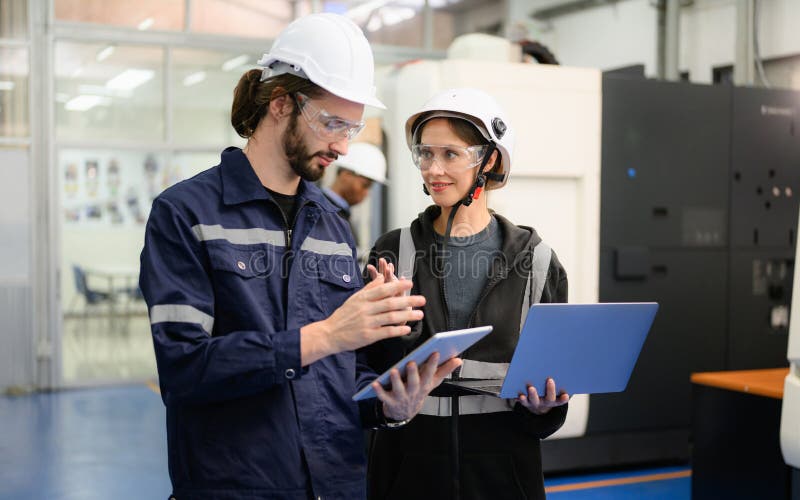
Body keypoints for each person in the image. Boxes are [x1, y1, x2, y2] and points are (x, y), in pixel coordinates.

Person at [138, 14, 460, 500]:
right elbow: (185, 371)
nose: (343, 145)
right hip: (237, 487)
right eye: (332, 123)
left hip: (336, 485)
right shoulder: (186, 214)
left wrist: (389, 401)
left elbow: (342, 372)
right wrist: (328, 333)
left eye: (352, 126)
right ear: (281, 103)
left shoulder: (332, 222)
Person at [360, 88, 571, 500]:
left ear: (488, 160)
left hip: (504, 481)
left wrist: (547, 407)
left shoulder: (538, 260)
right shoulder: (391, 251)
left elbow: (549, 390)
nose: (433, 169)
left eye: (450, 154)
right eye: (425, 153)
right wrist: (384, 330)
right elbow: (364, 374)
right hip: (406, 479)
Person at [323, 141, 387, 241]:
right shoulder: (322, 213)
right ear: (346, 176)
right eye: (365, 185)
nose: (366, 193)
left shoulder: (338, 214)